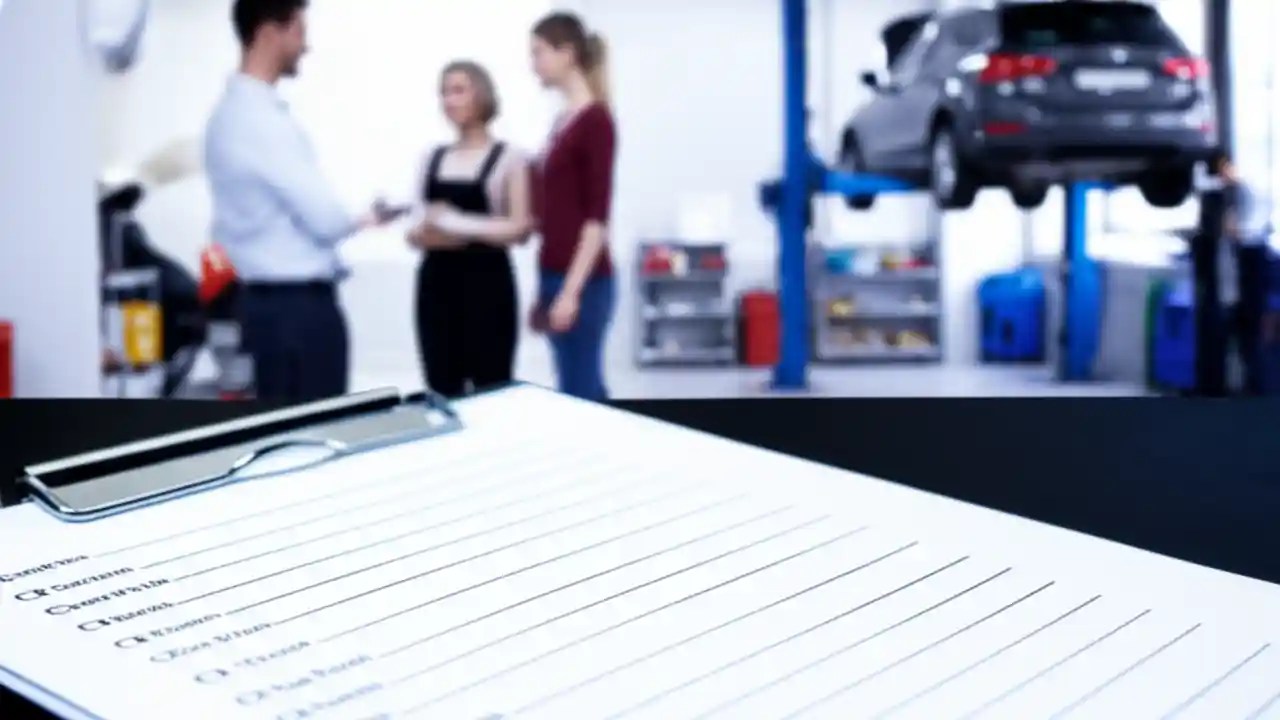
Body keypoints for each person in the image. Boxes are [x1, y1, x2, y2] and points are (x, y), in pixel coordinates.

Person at [204, 0, 397, 402]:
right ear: (269, 31)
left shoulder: (230, 115)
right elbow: (325, 219)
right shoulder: (258, 120)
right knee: (315, 440)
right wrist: (355, 218)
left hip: (264, 307)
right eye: (299, 33)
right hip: (295, 314)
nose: (305, 48)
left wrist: (359, 219)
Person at [407, 61, 532, 398]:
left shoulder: (510, 157)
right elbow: (416, 231)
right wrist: (460, 232)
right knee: (440, 388)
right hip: (436, 290)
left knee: (492, 390)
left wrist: (451, 224)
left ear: (483, 93)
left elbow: (520, 228)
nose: (449, 100)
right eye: (444, 92)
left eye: (459, 90)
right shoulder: (431, 157)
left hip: (488, 290)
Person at [528, 12, 619, 401]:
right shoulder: (561, 122)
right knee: (575, 388)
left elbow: (595, 220)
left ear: (567, 53)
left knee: (581, 393)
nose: (533, 63)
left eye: (539, 52)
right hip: (553, 272)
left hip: (583, 281)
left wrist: (570, 292)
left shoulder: (596, 121)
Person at [1216, 150, 1273, 396]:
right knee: (1246, 334)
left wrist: (1232, 228)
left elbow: (1240, 231)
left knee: (1250, 334)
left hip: (1251, 261)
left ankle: (1255, 385)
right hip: (1252, 261)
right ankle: (1252, 384)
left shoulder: (1246, 189)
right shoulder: (1248, 188)